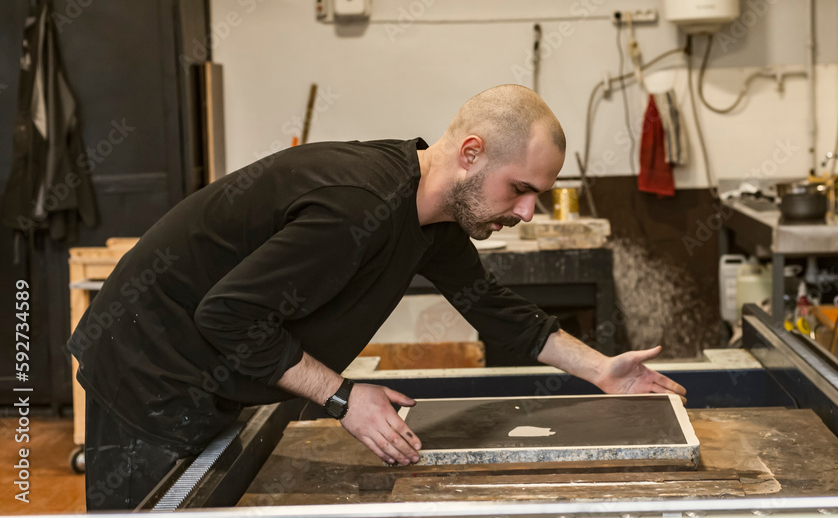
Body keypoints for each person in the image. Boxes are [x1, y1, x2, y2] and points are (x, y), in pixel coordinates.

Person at [68, 84, 685, 510]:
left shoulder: (432, 222)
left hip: (204, 378)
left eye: (538, 196)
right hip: (144, 375)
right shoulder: (356, 205)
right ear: (471, 153)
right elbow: (229, 314)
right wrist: (343, 397)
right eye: (520, 189)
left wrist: (600, 369)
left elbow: (494, 308)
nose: (526, 212)